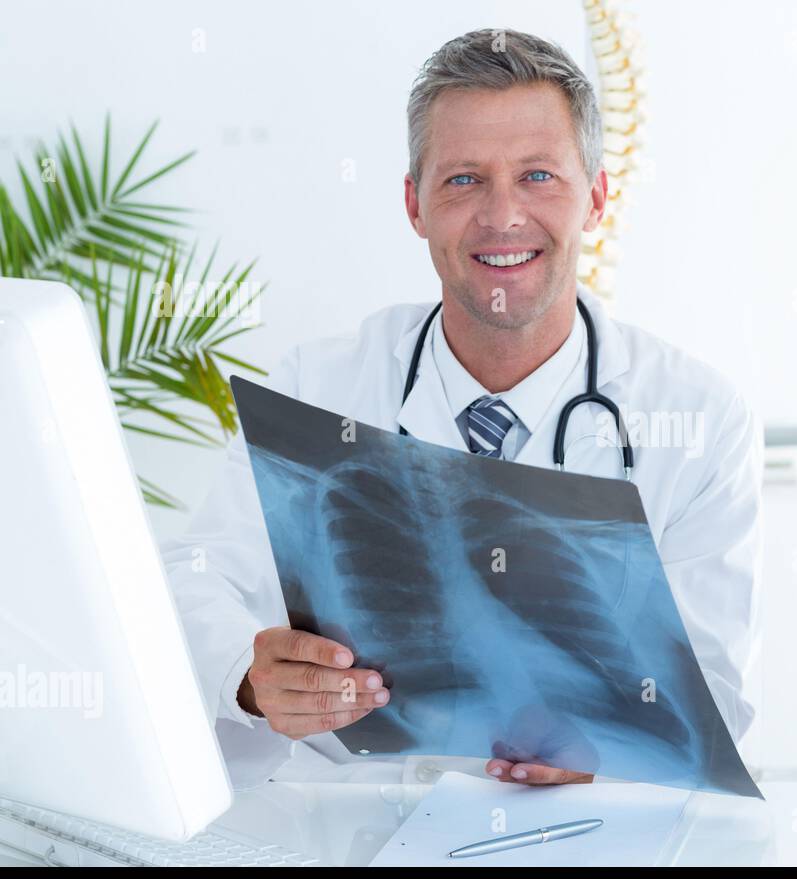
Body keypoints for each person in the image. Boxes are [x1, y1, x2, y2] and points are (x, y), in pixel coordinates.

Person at [161, 28, 763, 790]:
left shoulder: (698, 417)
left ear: (597, 198)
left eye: (538, 175)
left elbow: (721, 694)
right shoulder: (315, 387)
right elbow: (195, 572)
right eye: (463, 181)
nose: (502, 216)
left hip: (598, 829)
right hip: (352, 825)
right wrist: (245, 673)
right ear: (414, 205)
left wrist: (610, 751)